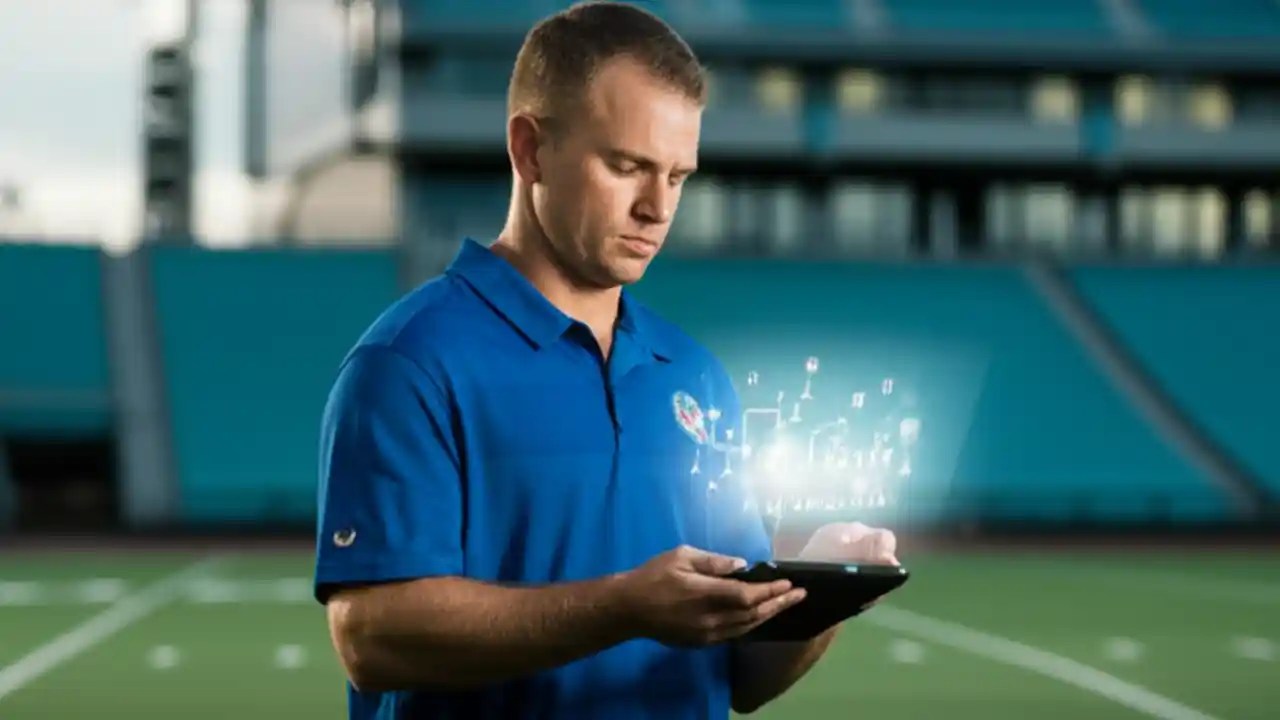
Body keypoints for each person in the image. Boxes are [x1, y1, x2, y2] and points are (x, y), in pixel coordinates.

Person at [313, 2, 898, 718]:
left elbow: (743, 674)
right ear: (530, 151)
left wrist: (822, 595)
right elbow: (373, 640)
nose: (658, 207)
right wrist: (623, 607)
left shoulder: (694, 376)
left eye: (678, 176)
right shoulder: (410, 364)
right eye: (628, 166)